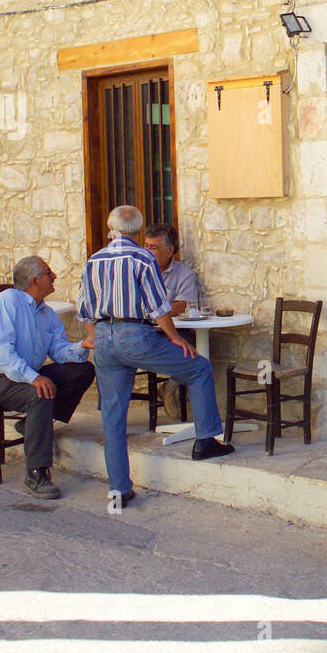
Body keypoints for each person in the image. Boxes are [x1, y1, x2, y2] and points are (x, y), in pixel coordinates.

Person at [78, 206, 232, 509]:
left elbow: (85, 306)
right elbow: (158, 306)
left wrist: (91, 337)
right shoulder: (142, 258)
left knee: (112, 414)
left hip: (104, 338)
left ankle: (119, 489)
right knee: (199, 366)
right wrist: (175, 338)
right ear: (138, 230)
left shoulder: (94, 260)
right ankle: (205, 440)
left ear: (111, 229)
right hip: (135, 335)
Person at [0, 256, 96, 500]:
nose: (55, 277)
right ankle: (36, 473)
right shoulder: (7, 302)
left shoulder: (46, 313)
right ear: (35, 280)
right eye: (49, 273)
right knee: (39, 393)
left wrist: (83, 344)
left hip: (23, 374)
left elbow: (60, 352)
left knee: (82, 371)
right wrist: (34, 378)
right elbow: (3, 354)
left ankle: (32, 425)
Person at [143, 223, 199, 417]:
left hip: (171, 331)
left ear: (170, 250)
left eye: (154, 247)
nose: (148, 252)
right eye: (146, 246)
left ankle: (169, 388)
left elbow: (183, 304)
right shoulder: (139, 270)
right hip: (144, 331)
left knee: (193, 346)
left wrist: (156, 312)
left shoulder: (184, 274)